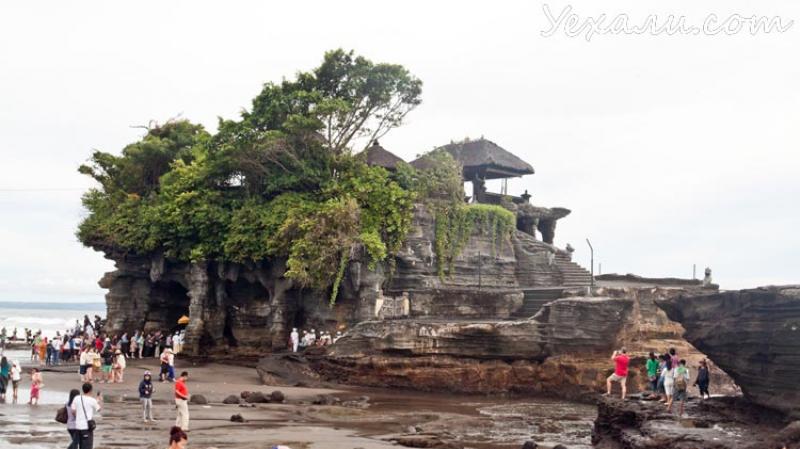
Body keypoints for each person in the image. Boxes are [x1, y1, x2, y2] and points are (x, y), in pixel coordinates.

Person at [72, 382, 102, 449]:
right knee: (87, 446)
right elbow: (99, 409)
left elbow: (73, 411)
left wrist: (79, 417)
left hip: (77, 426)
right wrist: (100, 400)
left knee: (79, 446)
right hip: (86, 427)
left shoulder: (76, 398)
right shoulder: (92, 400)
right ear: (91, 390)